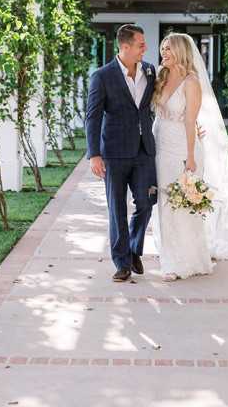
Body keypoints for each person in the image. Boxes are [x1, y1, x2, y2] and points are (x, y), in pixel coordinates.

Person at [150, 33, 228, 281]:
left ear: (180, 51)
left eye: (168, 49)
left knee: (183, 203)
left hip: (182, 149)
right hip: (159, 146)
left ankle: (182, 262)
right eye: (162, 49)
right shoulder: (159, 76)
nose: (163, 53)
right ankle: (170, 255)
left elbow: (190, 121)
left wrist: (190, 156)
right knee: (165, 204)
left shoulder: (191, 82)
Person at [85, 24, 158, 282]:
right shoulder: (102, 76)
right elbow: (93, 117)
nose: (145, 49)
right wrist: (94, 154)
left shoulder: (150, 71)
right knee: (117, 208)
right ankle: (122, 263)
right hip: (113, 153)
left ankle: (134, 248)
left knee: (148, 201)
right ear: (125, 46)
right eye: (141, 45)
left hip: (144, 150)